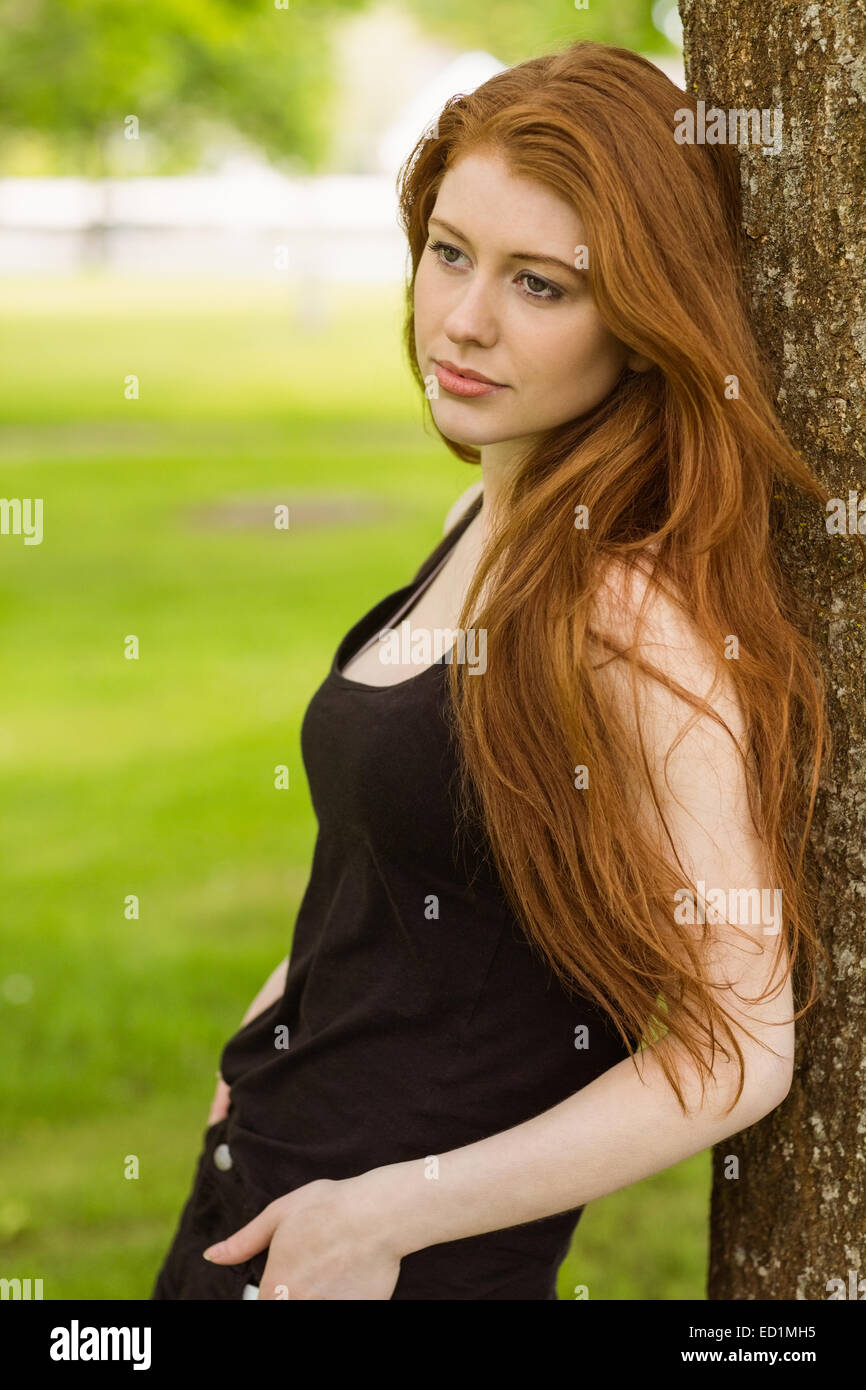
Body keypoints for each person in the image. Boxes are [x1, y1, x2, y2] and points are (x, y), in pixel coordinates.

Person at [150, 39, 838, 1301]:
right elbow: (387, 867)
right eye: (450, 251)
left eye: (540, 285)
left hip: (392, 1263)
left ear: (641, 321)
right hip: (261, 1194)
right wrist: (253, 1054)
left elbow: (741, 1046)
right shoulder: (489, 510)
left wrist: (378, 1220)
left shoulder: (625, 609)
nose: (462, 318)